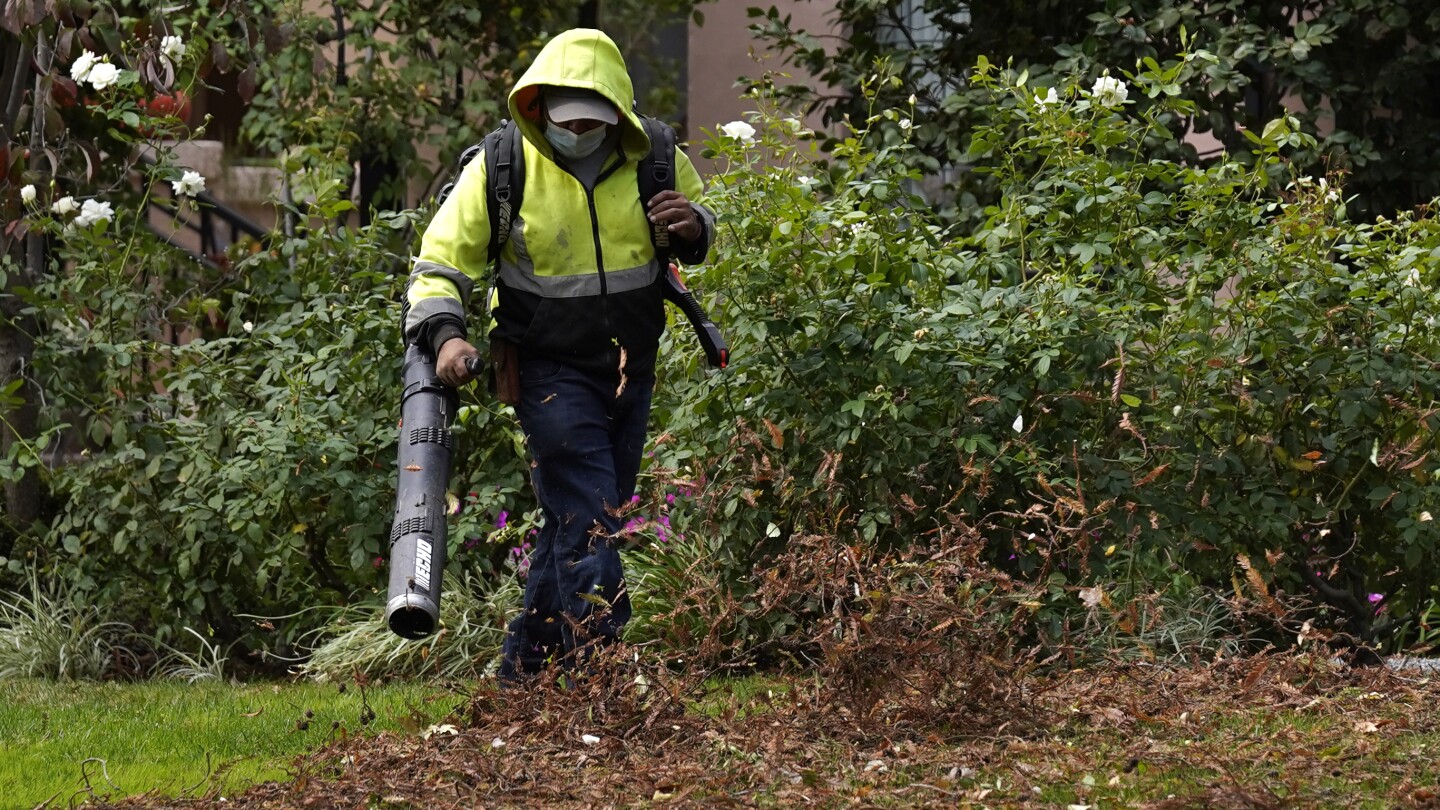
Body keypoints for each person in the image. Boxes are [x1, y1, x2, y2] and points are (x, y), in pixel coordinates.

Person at [402, 28, 715, 682]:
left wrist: (694, 228)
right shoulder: (502, 165)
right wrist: (448, 336)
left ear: (616, 118)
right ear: (537, 106)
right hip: (546, 372)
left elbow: (696, 231)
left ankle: (524, 674)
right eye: (567, 120)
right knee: (595, 523)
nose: (579, 132)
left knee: (580, 520)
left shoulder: (656, 157)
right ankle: (600, 674)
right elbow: (438, 264)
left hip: (632, 368)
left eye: (594, 123)